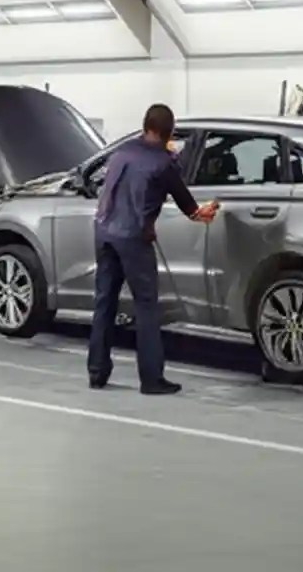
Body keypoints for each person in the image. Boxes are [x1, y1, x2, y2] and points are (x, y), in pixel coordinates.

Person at [89, 104, 218, 395]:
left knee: (104, 302)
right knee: (146, 306)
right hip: (133, 238)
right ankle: (151, 379)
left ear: (144, 125)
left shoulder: (121, 152)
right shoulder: (164, 163)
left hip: (103, 232)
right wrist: (204, 212)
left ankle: (97, 372)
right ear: (169, 132)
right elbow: (189, 207)